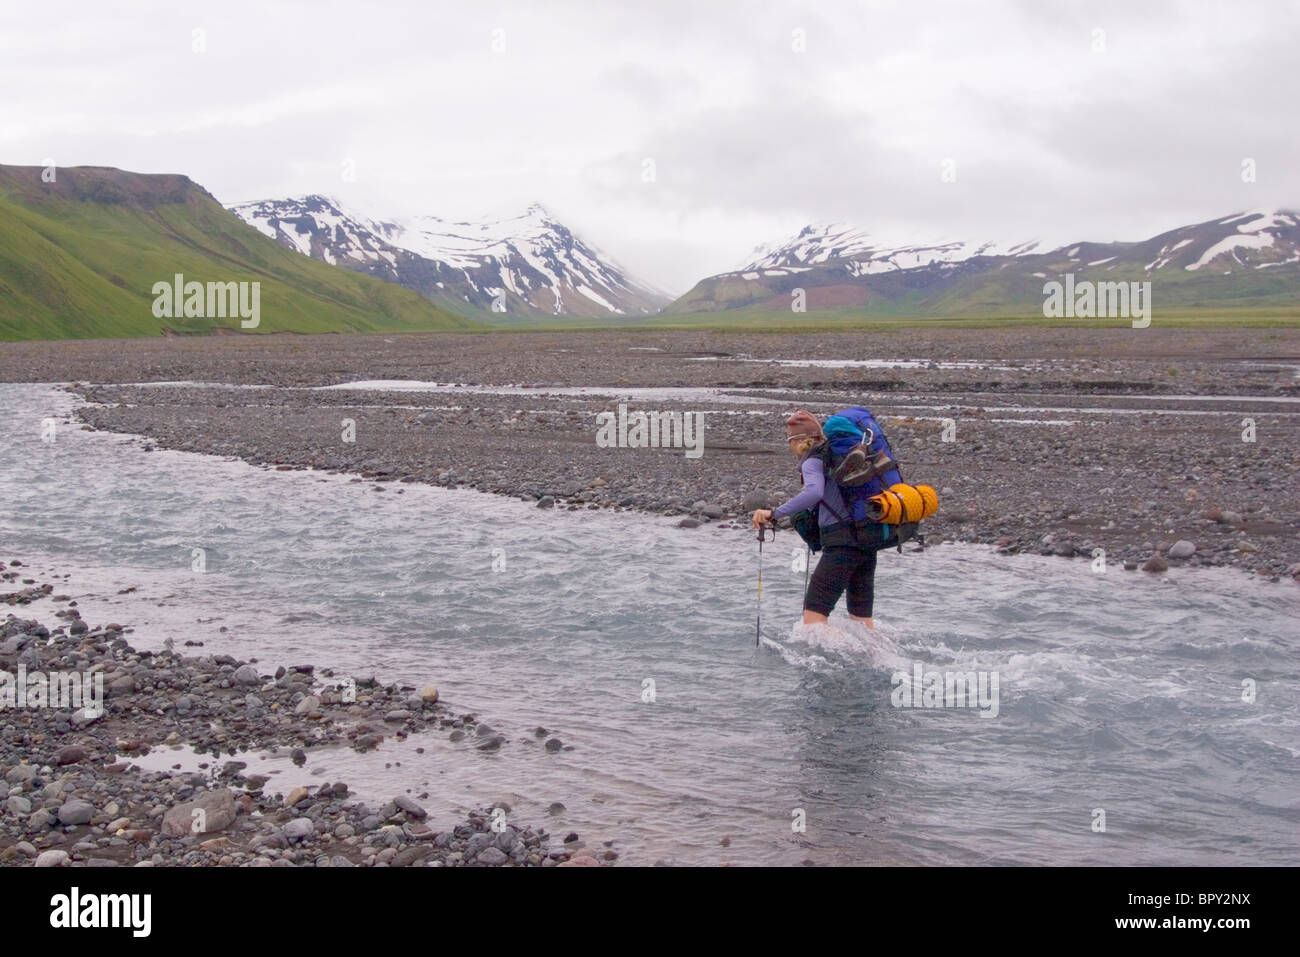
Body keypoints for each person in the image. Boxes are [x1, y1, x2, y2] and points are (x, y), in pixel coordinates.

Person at [750, 410, 878, 629]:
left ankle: (837, 660)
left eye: (790, 441)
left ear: (798, 441)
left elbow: (814, 493)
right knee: (861, 621)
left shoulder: (813, 461)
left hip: (841, 546)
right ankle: (884, 660)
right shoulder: (837, 457)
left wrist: (774, 513)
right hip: (867, 540)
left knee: (812, 621)